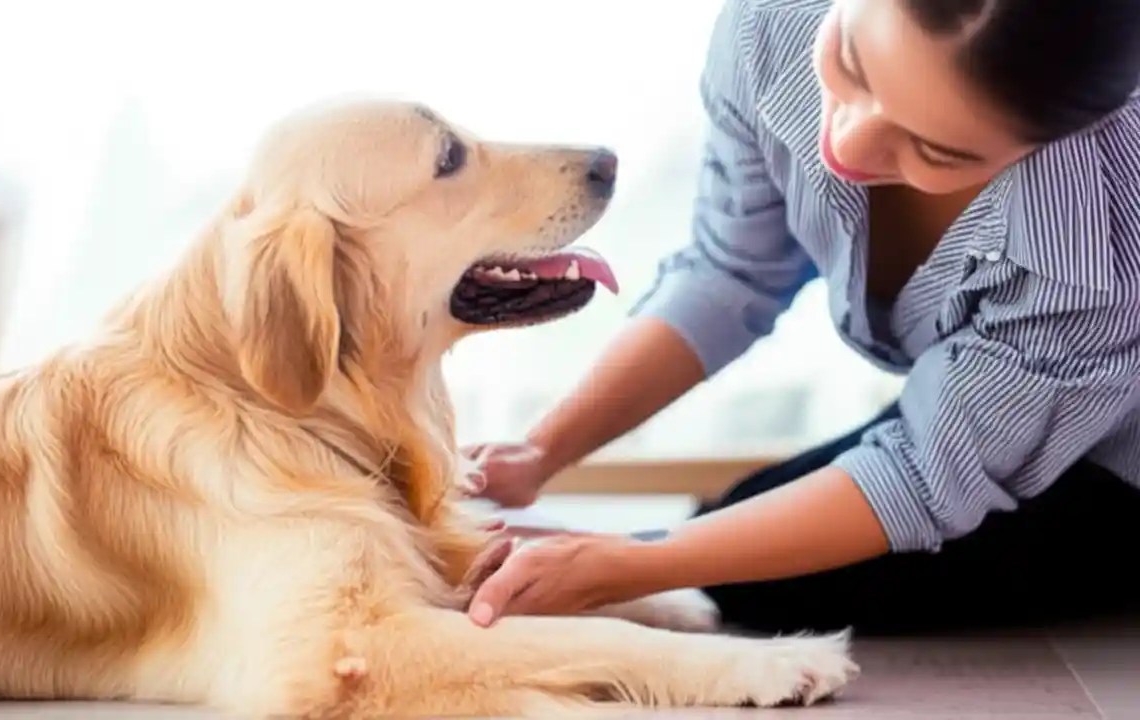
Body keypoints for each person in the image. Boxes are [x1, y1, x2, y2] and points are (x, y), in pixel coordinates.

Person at [461, 0, 1140, 635]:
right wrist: (542, 450)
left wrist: (619, 565)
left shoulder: (1106, 233)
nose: (846, 145)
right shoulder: (772, 26)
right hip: (996, 395)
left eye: (934, 151)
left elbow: (921, 477)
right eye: (850, 62)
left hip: (1118, 457)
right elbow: (731, 273)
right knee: (730, 526)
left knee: (760, 584)